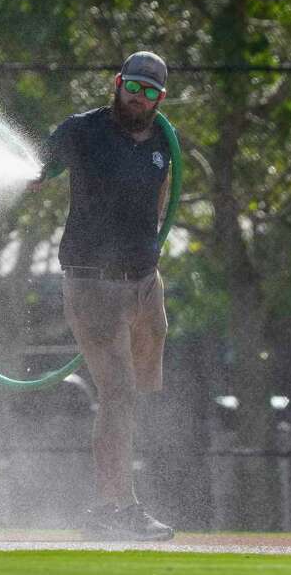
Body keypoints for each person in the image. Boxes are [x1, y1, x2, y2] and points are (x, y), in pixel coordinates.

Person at [23, 51, 176, 541]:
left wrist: (149, 266)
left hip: (142, 280)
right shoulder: (82, 131)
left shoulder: (162, 143)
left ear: (161, 98)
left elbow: (158, 204)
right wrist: (29, 174)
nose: (140, 96)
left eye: (151, 91)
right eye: (134, 86)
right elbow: (39, 169)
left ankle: (124, 436)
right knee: (118, 393)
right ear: (117, 83)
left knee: (138, 383)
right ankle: (114, 509)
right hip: (92, 281)